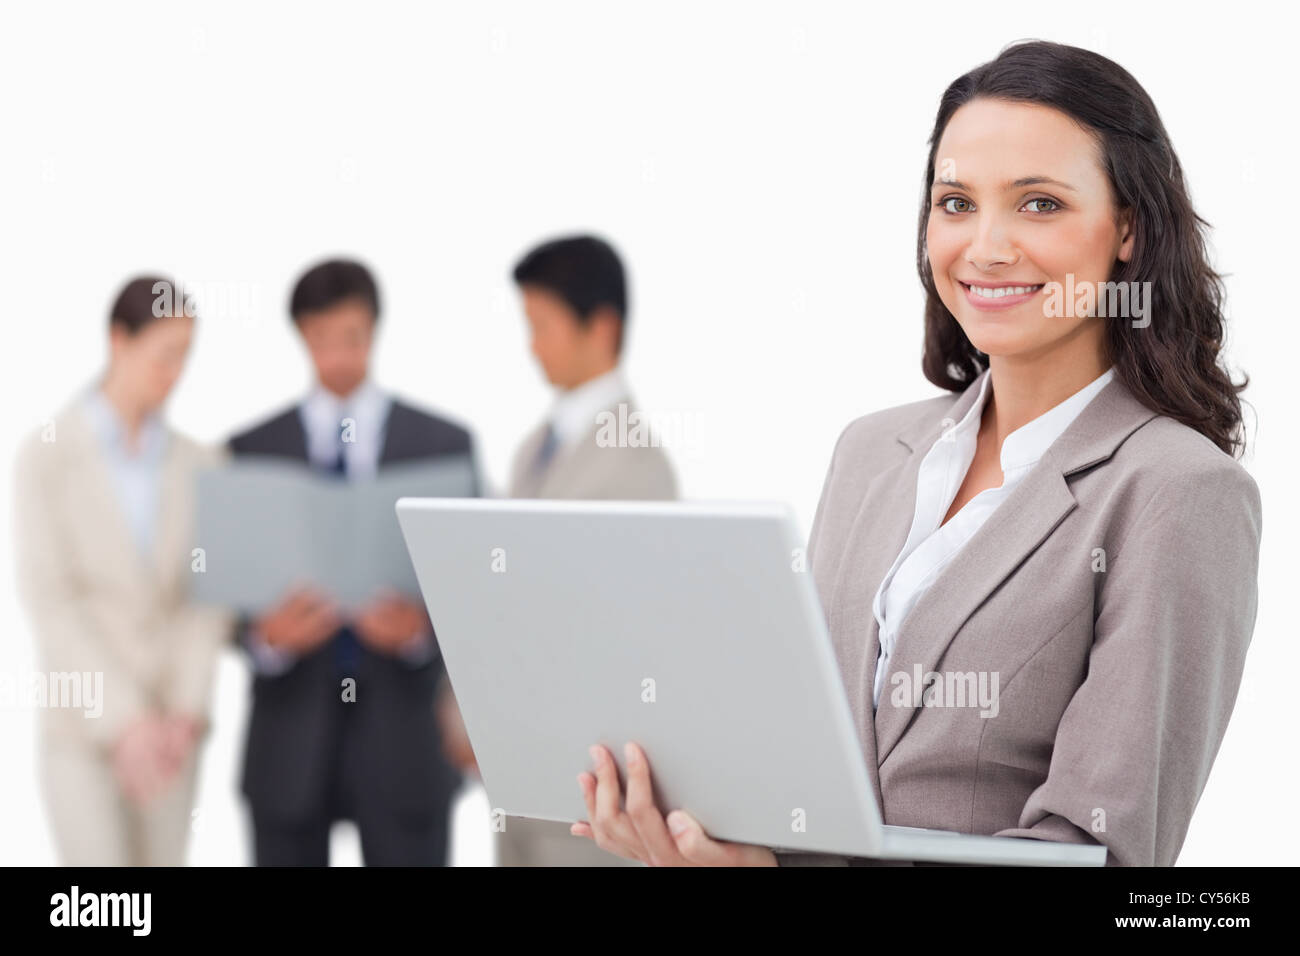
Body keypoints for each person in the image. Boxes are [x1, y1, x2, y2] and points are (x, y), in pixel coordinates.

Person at [568, 40, 1262, 867]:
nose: (987, 246)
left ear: (1128, 231)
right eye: (957, 203)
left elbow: (1102, 860)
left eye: (1039, 204)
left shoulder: (1180, 493)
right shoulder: (870, 453)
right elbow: (812, 787)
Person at [228, 258, 480, 866]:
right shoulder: (250, 451)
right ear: (300, 337)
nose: (338, 356)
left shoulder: (442, 444)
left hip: (404, 742)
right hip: (288, 745)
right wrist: (266, 637)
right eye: (321, 339)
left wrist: (420, 631)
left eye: (353, 338)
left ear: (374, 330)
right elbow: (224, 591)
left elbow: (480, 591)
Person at [439, 234, 677, 866]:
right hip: (521, 775)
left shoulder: (639, 466)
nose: (532, 345)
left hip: (584, 788)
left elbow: (609, 632)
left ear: (600, 327)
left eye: (542, 325)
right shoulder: (533, 447)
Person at [15, 276, 232, 865]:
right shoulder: (45, 457)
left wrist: (183, 712)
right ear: (119, 340)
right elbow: (53, 604)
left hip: (171, 734)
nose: (174, 373)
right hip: (83, 730)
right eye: (164, 355)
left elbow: (205, 598)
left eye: (185, 357)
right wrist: (125, 721)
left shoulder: (202, 463)